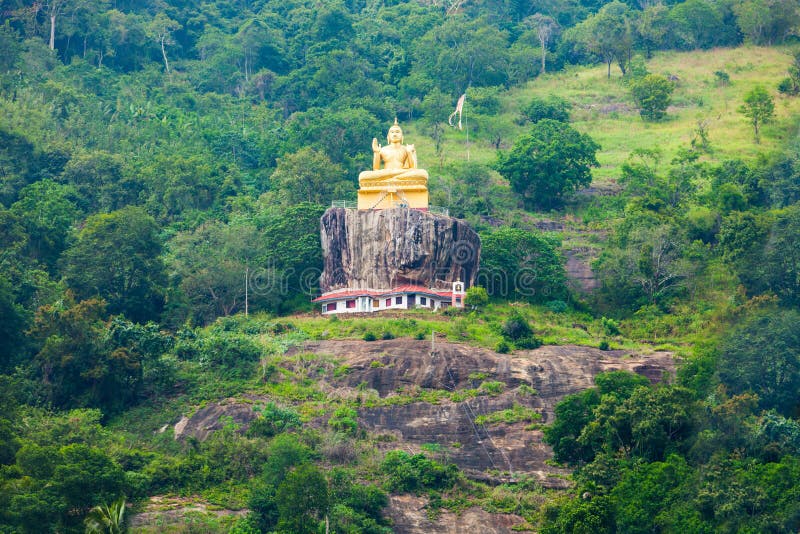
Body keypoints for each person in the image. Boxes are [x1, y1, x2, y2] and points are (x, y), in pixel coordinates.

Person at [359, 119, 428, 187]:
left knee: (423, 173)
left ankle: (394, 177)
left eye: (397, 132)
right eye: (392, 132)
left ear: (402, 137)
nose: (395, 134)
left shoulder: (407, 149)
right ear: (388, 137)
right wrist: (376, 153)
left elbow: (413, 168)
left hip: (400, 172)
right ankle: (396, 177)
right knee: (362, 176)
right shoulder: (383, 149)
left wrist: (409, 152)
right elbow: (376, 169)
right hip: (387, 172)